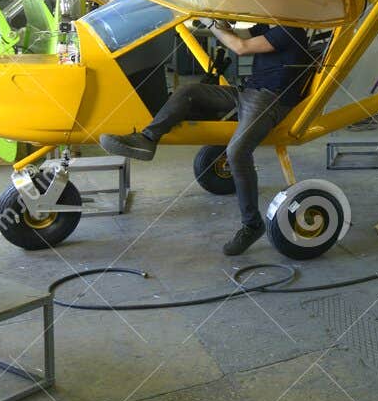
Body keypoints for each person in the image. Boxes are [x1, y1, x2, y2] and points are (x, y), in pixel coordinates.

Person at [102, 19, 316, 256]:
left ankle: (251, 224)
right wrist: (211, 21)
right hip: (247, 92)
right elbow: (237, 34)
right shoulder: (270, 25)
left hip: (269, 100)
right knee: (189, 92)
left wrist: (213, 22)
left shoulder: (290, 29)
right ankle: (147, 139)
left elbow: (240, 47)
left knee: (237, 152)